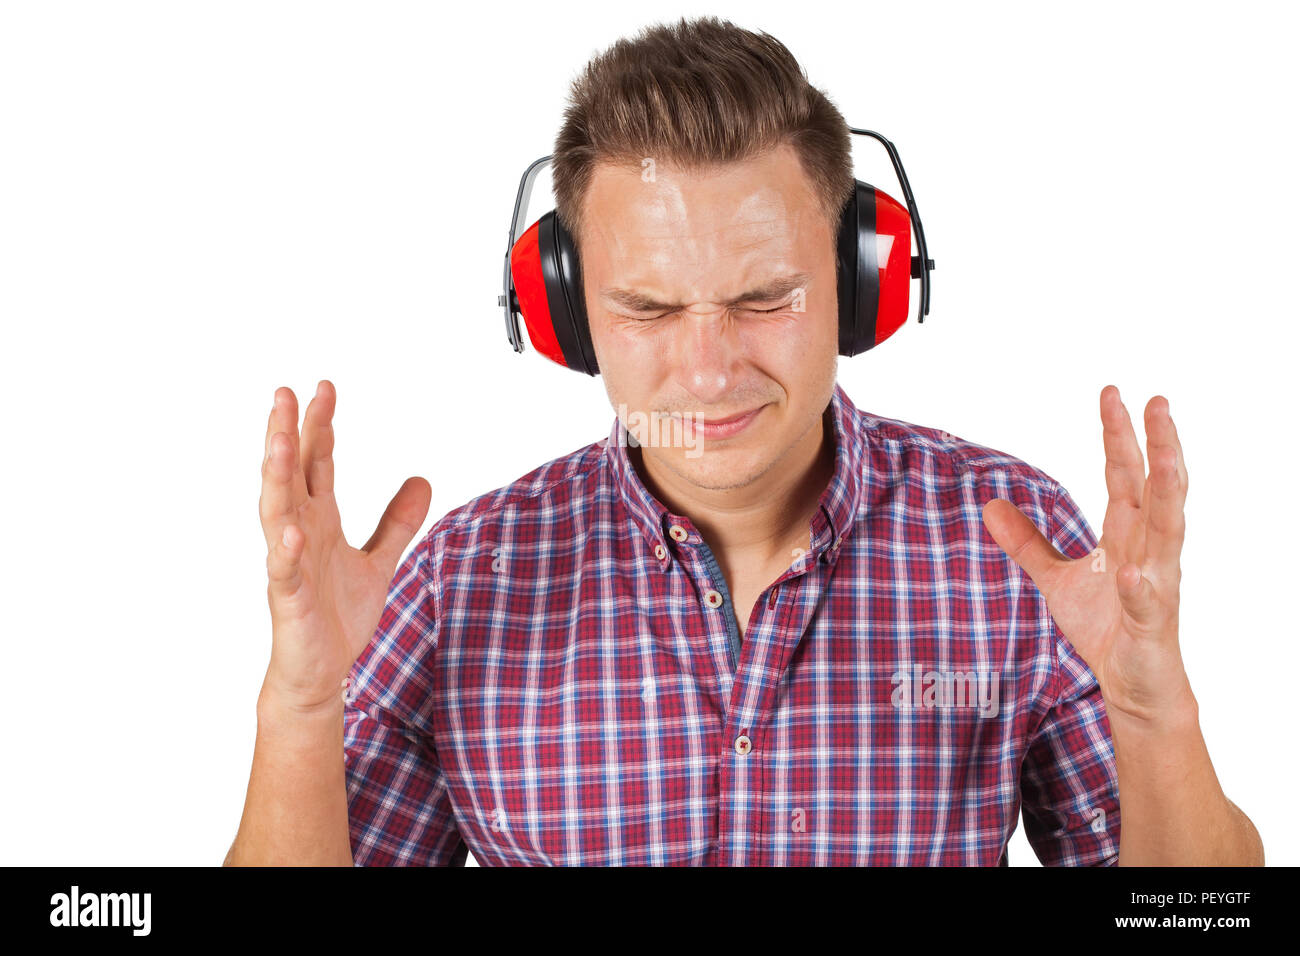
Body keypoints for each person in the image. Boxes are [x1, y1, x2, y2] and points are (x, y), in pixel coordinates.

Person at [224, 16, 1263, 866]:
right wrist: (305, 703)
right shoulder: (461, 578)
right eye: (647, 308)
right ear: (565, 315)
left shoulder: (1012, 543)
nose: (711, 369)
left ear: (866, 284)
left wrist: (1154, 706)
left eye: (765, 296)